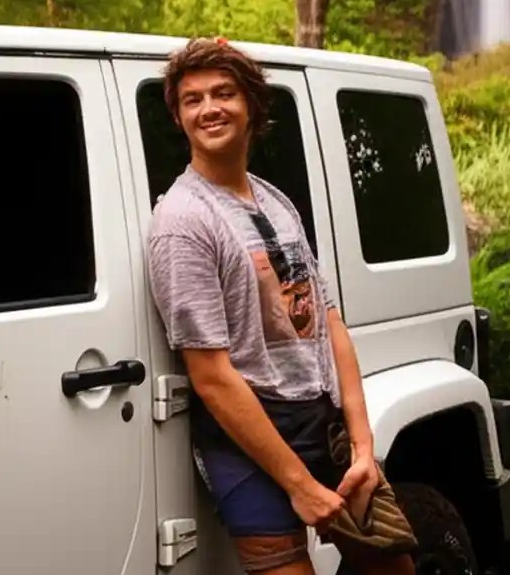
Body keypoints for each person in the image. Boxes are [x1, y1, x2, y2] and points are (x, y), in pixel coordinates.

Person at [146, 37, 417, 575]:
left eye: (223, 93)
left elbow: (329, 321)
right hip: (249, 439)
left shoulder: (274, 200)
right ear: (178, 117)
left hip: (321, 421)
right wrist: (299, 486)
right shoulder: (183, 222)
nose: (209, 109)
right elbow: (212, 377)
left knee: (394, 567)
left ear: (252, 105)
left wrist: (363, 445)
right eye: (192, 99)